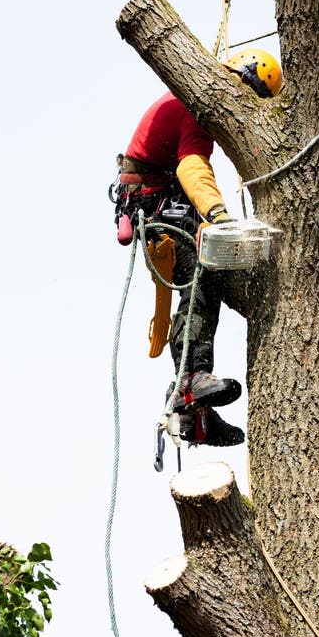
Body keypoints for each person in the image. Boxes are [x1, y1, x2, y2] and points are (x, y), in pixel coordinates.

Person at [112, 49, 283, 447]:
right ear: (244, 81)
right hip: (156, 200)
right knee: (203, 271)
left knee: (211, 276)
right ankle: (191, 378)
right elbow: (191, 165)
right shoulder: (200, 104)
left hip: (162, 195)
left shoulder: (199, 92)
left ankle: (195, 417)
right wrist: (218, 214)